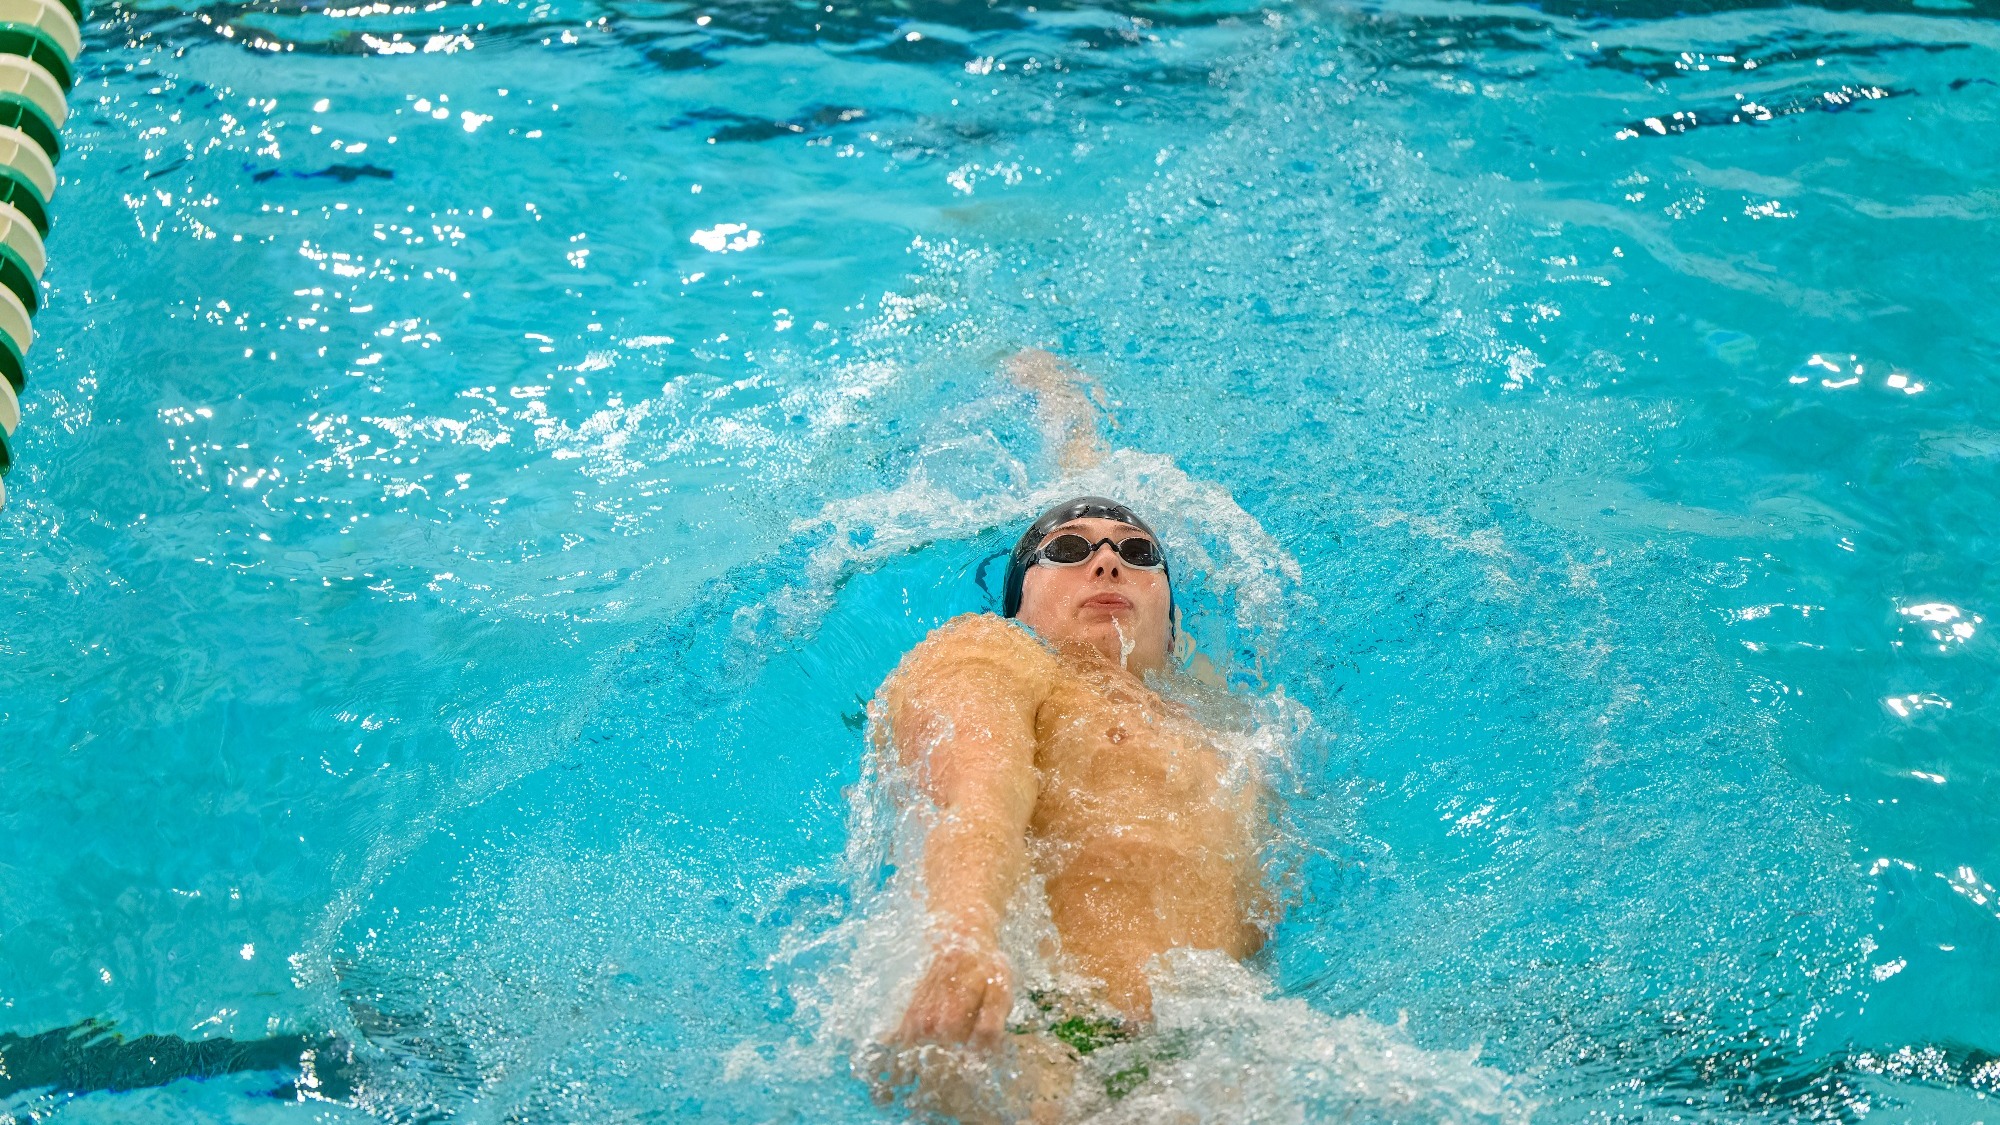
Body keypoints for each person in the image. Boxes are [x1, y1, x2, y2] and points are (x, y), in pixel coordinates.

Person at [866, 351, 1270, 1121]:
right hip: (1034, 1037)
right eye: (1069, 551)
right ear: (1019, 600)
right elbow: (978, 795)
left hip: (1217, 1043)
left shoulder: (1222, 722)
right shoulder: (995, 653)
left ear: (1172, 620)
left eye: (1138, 552)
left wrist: (1068, 408)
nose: (1110, 559)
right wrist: (965, 936)